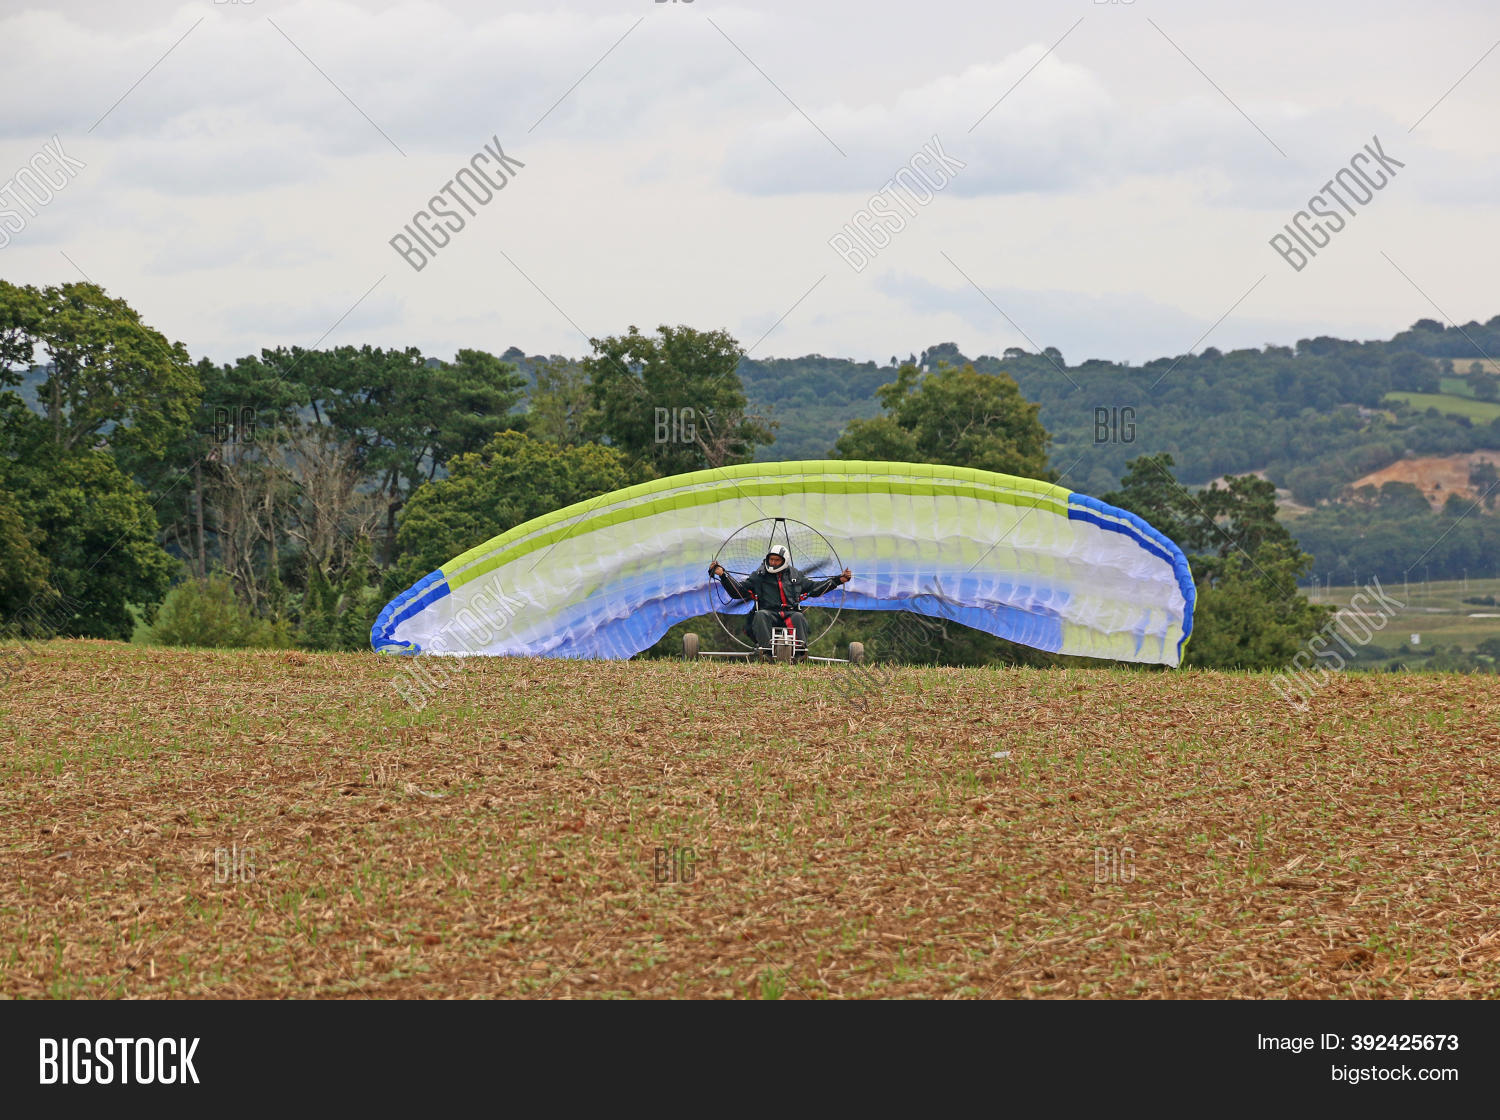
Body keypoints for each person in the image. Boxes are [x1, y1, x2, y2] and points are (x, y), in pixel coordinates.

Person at [709, 545, 852, 659]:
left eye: (776, 560)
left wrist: (838, 580)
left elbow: (815, 589)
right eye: (771, 559)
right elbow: (737, 591)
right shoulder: (759, 576)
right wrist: (723, 575)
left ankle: (800, 653)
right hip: (768, 613)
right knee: (760, 615)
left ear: (784, 560)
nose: (773, 563)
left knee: (798, 616)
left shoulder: (795, 576)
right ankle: (766, 653)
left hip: (790, 613)